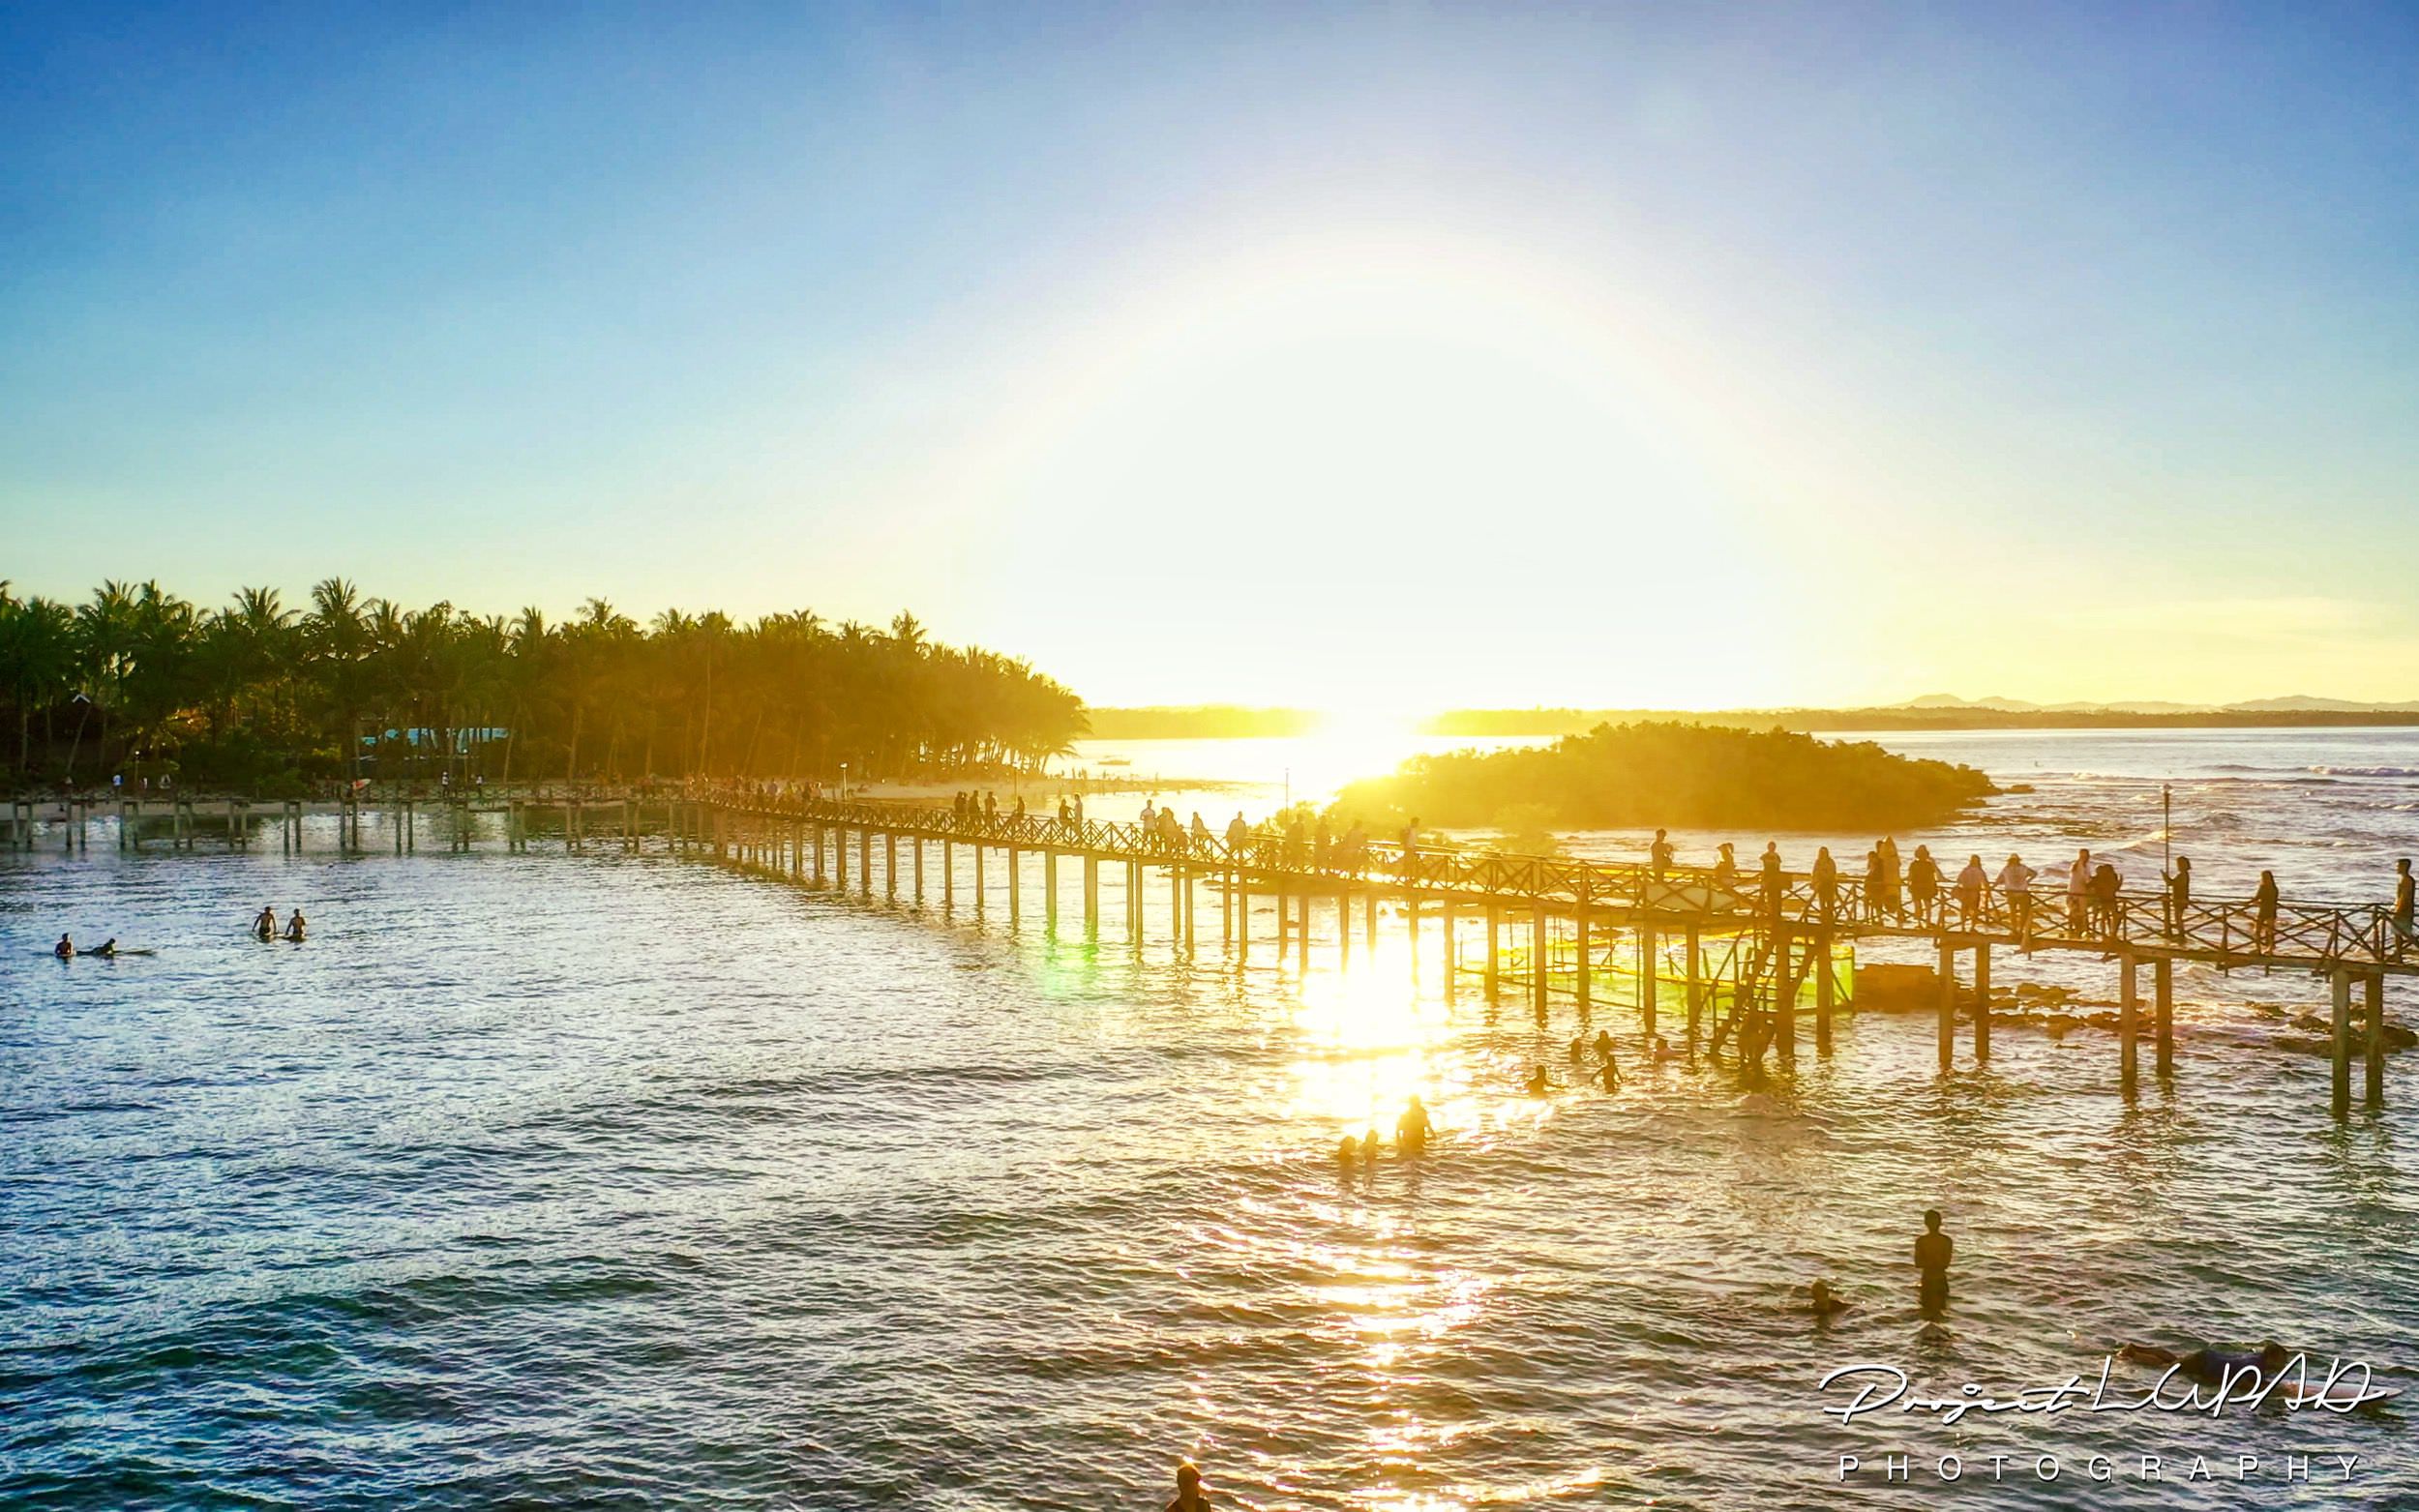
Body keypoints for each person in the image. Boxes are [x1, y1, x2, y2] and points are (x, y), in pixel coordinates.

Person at [2118, 1340, 2290, 1382]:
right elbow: (2243, 1383)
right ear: (2272, 1358)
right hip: (2204, 1364)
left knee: (2174, 1360)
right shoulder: (2256, 1367)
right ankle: (2133, 1355)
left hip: (2207, 1357)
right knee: (2167, 1367)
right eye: (2282, 1361)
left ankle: (2136, 1348)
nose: (2284, 1365)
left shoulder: (2257, 1359)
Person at [1915, 1209, 1953, 1311]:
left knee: (1941, 1310)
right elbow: (1917, 1263)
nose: (1933, 1224)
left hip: (1940, 1280)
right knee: (1926, 1310)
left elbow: (1946, 1263)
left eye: (1935, 1221)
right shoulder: (1921, 1241)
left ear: (1940, 1222)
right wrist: (1934, 1262)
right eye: (1930, 1221)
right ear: (1926, 1223)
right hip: (1927, 1280)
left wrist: (1930, 1262)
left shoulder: (1946, 1241)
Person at [1996, 853, 2036, 939]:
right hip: (2022, 892)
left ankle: (2014, 929)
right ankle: (2021, 929)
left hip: (2011, 893)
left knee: (2012, 912)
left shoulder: (2006, 869)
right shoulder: (2023, 868)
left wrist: (1992, 888)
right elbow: (2034, 873)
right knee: (2023, 913)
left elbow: (1998, 880)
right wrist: (2028, 881)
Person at [1908, 845, 1940, 925]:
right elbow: (1935, 875)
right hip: (1927, 887)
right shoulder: (1929, 864)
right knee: (1928, 907)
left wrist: (1908, 884)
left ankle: (1919, 923)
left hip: (1916, 887)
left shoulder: (1914, 864)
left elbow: (1910, 876)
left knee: (1918, 907)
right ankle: (1927, 922)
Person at [2252, 870, 2280, 957]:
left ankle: (2258, 949)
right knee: (2270, 931)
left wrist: (2248, 903)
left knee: (2257, 930)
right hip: (2272, 911)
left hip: (2263, 911)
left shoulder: (2263, 887)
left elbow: (2257, 898)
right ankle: (2270, 949)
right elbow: (2274, 900)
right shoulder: (2274, 888)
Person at [1955, 855, 1987, 928]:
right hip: (1975, 892)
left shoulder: (1965, 870)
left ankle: (1963, 926)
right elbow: (1985, 883)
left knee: (1964, 909)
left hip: (1965, 891)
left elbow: (1958, 880)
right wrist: (1987, 890)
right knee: (1974, 910)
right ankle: (1972, 927)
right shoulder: (1980, 871)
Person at [2165, 855, 2192, 941]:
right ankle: (2180, 934)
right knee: (2178, 918)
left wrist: (2164, 876)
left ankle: (2181, 934)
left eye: (2179, 864)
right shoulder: (2184, 875)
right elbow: (2172, 883)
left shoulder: (2183, 875)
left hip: (2180, 899)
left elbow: (2171, 883)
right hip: (2181, 899)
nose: (2178, 866)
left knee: (2178, 918)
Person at [2067, 848, 2093, 932]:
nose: (2085, 857)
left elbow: (2087, 877)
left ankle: (2082, 928)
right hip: (2075, 890)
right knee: (2074, 909)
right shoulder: (2077, 865)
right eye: (2083, 856)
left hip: (2081, 890)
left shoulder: (2086, 865)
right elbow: (2085, 878)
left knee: (2081, 910)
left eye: (2086, 856)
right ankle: (2073, 928)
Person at [2395, 859, 2414, 963]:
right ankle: (2398, 955)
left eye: (2398, 866)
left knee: (2403, 933)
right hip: (2402, 909)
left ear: (2404, 867)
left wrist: (2397, 910)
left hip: (2404, 910)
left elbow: (2404, 897)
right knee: (2399, 933)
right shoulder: (2403, 879)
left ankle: (2398, 956)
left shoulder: (2407, 880)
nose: (2396, 868)